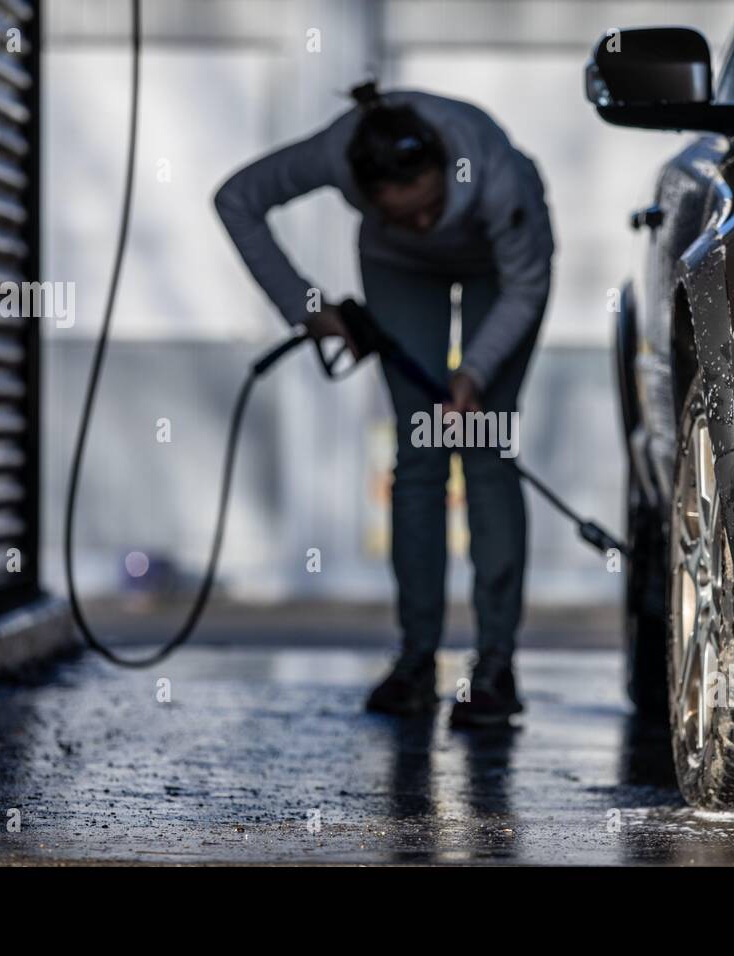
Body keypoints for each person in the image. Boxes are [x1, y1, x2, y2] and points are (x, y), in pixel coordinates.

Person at [214, 83, 554, 727]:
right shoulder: (338, 152)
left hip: (500, 271)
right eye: (405, 213)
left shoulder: (497, 175)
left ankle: (496, 668)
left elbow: (525, 285)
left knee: (485, 451)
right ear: (365, 193)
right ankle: (415, 660)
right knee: (421, 453)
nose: (424, 223)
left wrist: (474, 373)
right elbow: (236, 198)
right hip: (399, 272)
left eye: (430, 208)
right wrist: (306, 307)